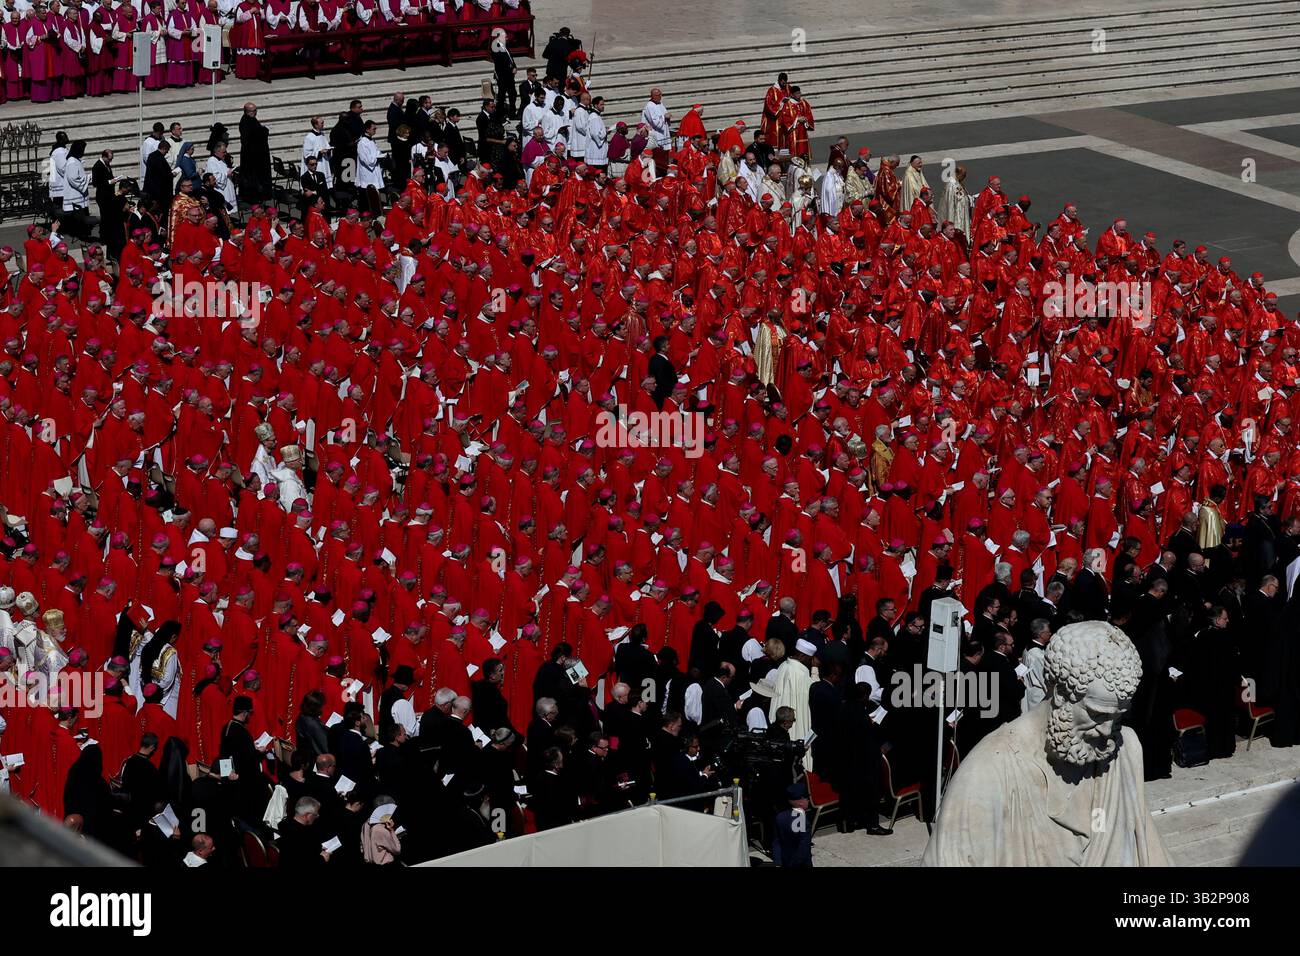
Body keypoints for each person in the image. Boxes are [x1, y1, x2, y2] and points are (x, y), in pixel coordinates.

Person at [925, 622, 1171, 866]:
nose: (1107, 729)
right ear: (1059, 693)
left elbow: (1128, 835)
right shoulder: (987, 773)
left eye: (1117, 716)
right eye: (1097, 714)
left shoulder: (1122, 750)